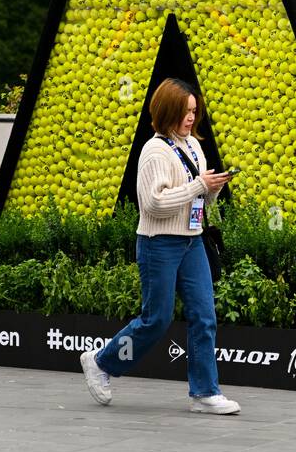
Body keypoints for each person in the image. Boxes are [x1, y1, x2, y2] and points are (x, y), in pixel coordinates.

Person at [79, 77, 240, 414]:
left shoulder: (194, 146)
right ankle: (101, 361)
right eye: (185, 111)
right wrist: (198, 185)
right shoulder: (154, 151)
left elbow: (199, 198)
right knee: (156, 319)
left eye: (195, 111)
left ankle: (205, 393)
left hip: (192, 240)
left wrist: (212, 188)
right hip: (158, 243)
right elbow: (153, 204)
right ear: (168, 111)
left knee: (204, 316)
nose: (192, 118)